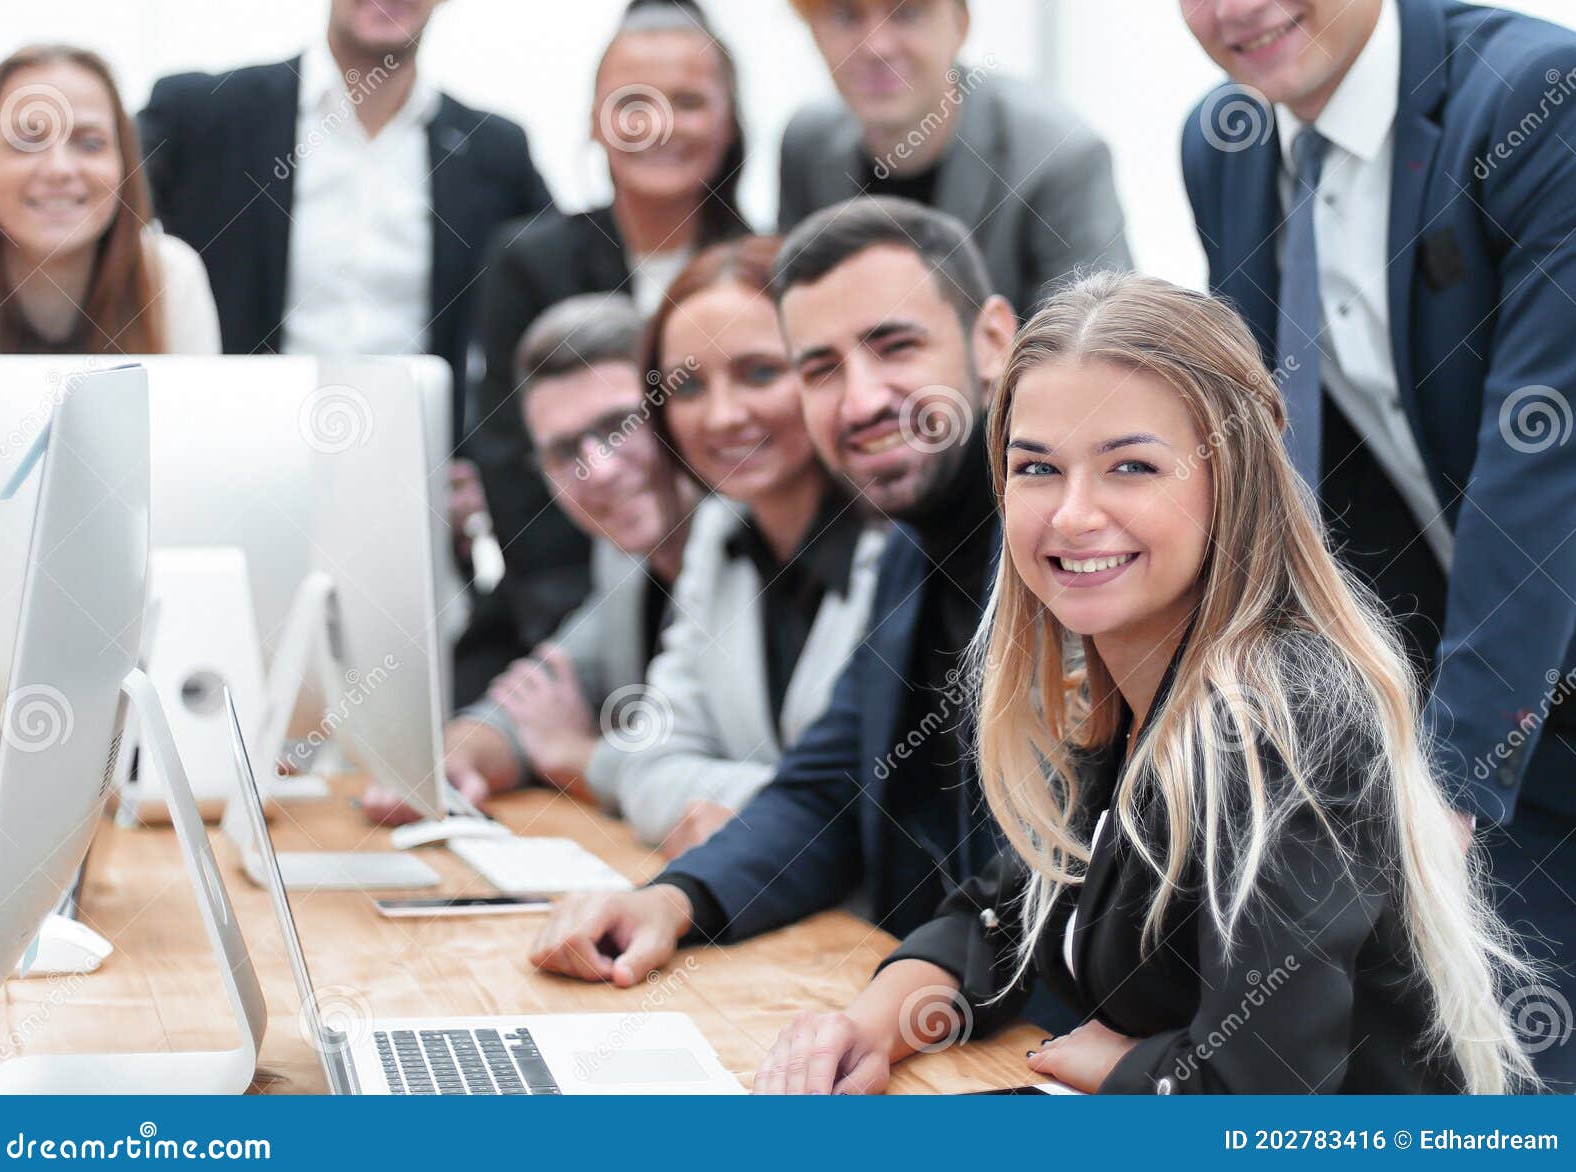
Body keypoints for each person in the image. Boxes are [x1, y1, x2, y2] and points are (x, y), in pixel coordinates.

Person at [755, 272, 1543, 1095]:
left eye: (1130, 466)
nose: (1071, 514)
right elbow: (999, 916)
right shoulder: (1125, 685)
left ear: (1230, 479)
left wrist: (1125, 1068)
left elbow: (1258, 1091)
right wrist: (870, 1023)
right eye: (1037, 469)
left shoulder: (1285, 716)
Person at [529, 199, 1080, 1046]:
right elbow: (828, 788)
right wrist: (673, 899)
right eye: (820, 367)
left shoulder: (1069, 540)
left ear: (993, 341)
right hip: (954, 1026)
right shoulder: (913, 550)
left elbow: (1062, 861)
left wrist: (890, 1007)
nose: (860, 398)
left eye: (895, 347)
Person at [1180, 0, 1576, 1090]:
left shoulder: (1541, 103)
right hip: (1458, 695)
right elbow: (1295, 475)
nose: (1234, 10)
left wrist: (1443, 793)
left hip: (1534, 673)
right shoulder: (1222, 143)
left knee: (1505, 1079)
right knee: (1434, 1078)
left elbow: (1544, 462)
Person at [459, 0, 751, 706]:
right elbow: (513, 465)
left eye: (689, 101)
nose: (659, 125)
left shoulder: (761, 268)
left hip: (734, 606)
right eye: (632, 102)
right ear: (595, 119)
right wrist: (581, 655)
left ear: (731, 120)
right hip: (558, 606)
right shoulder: (527, 259)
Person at [138, 0, 550, 433]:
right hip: (233, 445)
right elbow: (96, 208)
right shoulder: (203, 117)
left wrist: (489, 457)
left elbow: (562, 280)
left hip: (418, 460)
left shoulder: (494, 151)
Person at [365, 294, 697, 825]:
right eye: (566, 452)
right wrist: (457, 756)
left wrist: (577, 758)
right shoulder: (624, 563)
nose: (600, 469)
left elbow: (753, 785)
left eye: (621, 424)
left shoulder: (752, 548)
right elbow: (537, 696)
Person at [613, 237, 886, 857]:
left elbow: (884, 808)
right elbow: (646, 770)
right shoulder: (718, 529)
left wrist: (744, 814)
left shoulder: (905, 540)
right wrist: (787, 811)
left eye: (760, 372)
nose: (722, 417)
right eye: (687, 388)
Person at [777, 0, 1131, 312]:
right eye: (845, 16)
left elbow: (1095, 356)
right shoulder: (806, 144)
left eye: (909, 13)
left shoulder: (1059, 157)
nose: (876, 47)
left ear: (960, 23)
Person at [0, 45, 218, 354]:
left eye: (91, 143)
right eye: (26, 141)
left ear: (124, 162)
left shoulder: (169, 277)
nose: (59, 169)